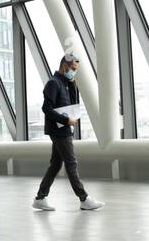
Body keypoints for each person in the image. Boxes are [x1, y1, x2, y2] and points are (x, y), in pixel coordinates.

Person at [33, 52, 103, 211]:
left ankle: (40, 197)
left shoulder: (64, 83)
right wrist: (65, 121)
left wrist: (72, 83)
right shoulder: (53, 83)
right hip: (59, 130)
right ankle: (84, 199)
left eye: (76, 69)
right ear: (64, 65)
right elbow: (46, 108)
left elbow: (73, 103)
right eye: (72, 68)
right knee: (71, 163)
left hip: (63, 129)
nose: (74, 71)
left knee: (56, 164)